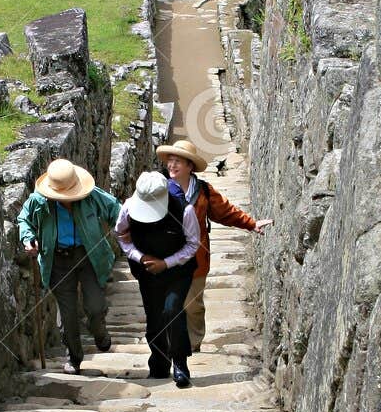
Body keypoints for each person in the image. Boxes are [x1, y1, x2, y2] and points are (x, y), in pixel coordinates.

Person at [156, 138, 272, 353]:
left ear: (190, 166)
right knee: (170, 305)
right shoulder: (159, 189)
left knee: (193, 306)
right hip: (167, 259)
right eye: (170, 161)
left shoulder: (203, 191)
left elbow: (225, 212)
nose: (172, 165)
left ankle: (193, 343)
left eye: (177, 161)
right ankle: (174, 344)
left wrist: (251, 224)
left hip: (196, 259)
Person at [18, 158, 121, 375]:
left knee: (94, 306)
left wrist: (126, 232)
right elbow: (24, 220)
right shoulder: (39, 201)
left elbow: (117, 211)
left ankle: (99, 332)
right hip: (57, 261)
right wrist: (28, 238)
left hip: (89, 257)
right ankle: (73, 358)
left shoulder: (91, 196)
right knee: (67, 314)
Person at [116, 170, 201, 387]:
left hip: (177, 271)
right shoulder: (127, 208)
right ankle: (159, 364)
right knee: (154, 318)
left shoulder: (185, 210)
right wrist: (141, 256)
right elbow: (122, 236)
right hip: (146, 271)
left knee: (172, 310)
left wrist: (166, 263)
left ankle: (180, 363)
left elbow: (193, 244)